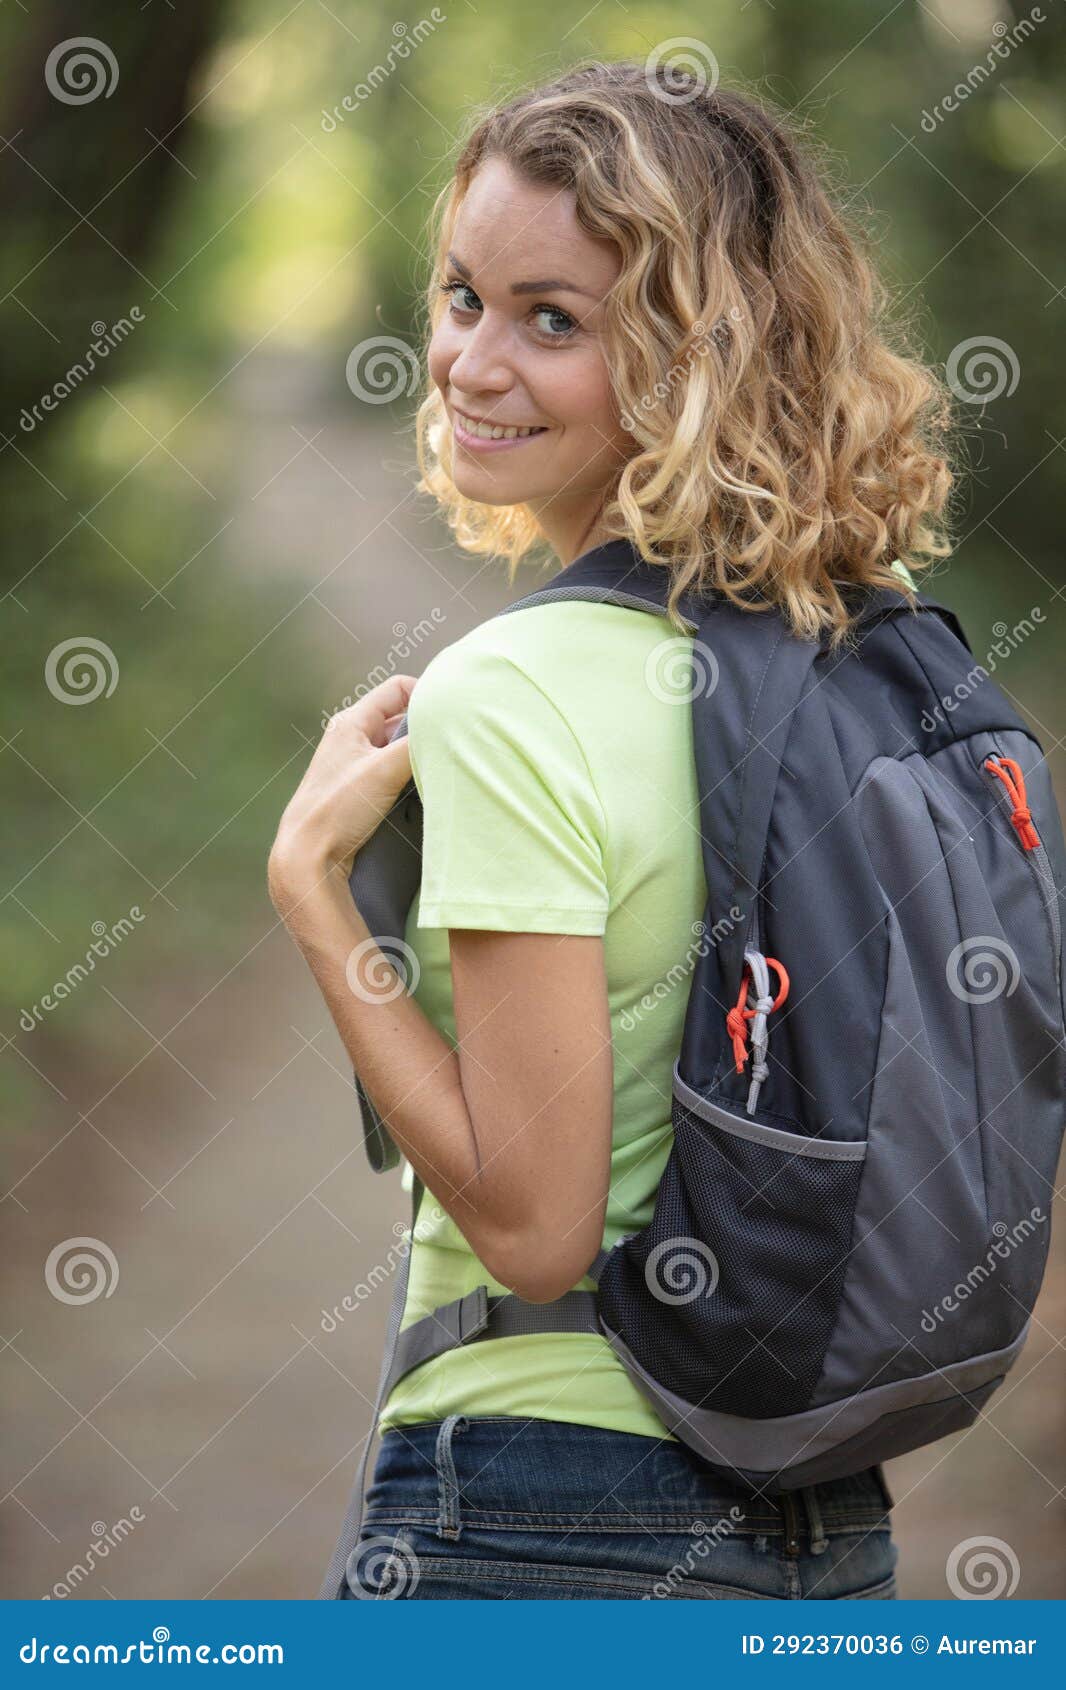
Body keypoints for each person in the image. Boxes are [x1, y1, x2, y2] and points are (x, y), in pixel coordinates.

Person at [268, 60, 952, 1599]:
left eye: (553, 320)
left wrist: (315, 889)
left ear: (691, 363)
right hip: (826, 1517)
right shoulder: (858, 654)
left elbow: (531, 1220)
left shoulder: (508, 688)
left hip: (541, 1510)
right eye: (461, 297)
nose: (468, 364)